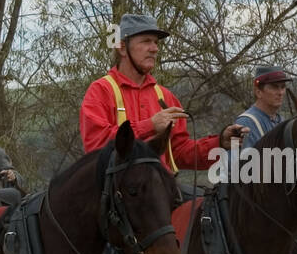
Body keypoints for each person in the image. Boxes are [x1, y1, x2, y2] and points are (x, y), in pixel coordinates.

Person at [80, 13, 247, 171]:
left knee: (218, 200)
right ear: (122, 48)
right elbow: (97, 146)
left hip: (161, 192)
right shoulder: (101, 90)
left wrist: (219, 143)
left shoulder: (165, 96)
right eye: (146, 41)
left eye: (156, 42)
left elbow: (180, 153)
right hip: (119, 196)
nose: (154, 49)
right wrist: (150, 125)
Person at [234, 66, 290, 150]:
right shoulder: (243, 123)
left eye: (282, 87)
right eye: (274, 87)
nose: (280, 92)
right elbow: (234, 161)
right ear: (258, 92)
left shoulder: (282, 121)